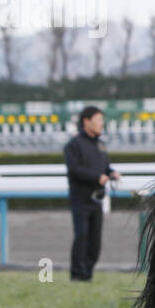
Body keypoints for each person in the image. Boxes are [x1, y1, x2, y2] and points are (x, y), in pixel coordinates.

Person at [64, 105, 120, 281]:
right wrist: (98, 177)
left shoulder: (100, 144)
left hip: (97, 199)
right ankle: (77, 274)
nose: (101, 124)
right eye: (99, 120)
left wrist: (111, 173)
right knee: (81, 236)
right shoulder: (73, 145)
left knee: (95, 241)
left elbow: (105, 166)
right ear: (86, 122)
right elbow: (75, 170)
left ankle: (88, 272)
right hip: (81, 199)